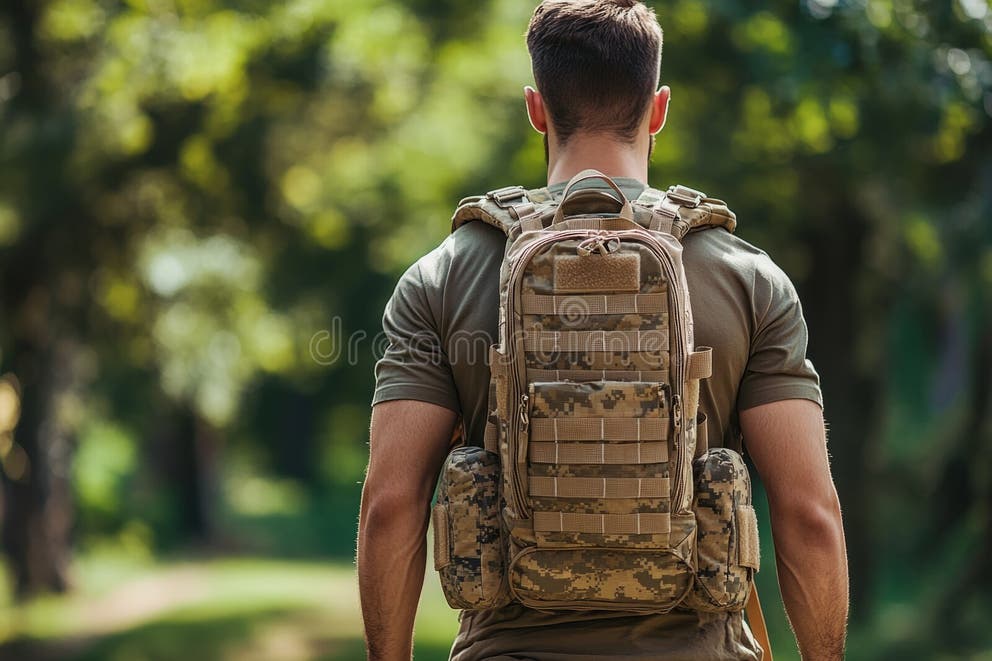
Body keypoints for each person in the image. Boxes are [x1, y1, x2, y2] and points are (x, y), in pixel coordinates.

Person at [357, 1, 849, 659]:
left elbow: (390, 504)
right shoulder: (748, 278)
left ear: (536, 108)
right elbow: (809, 514)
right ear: (658, 109)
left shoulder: (442, 275)